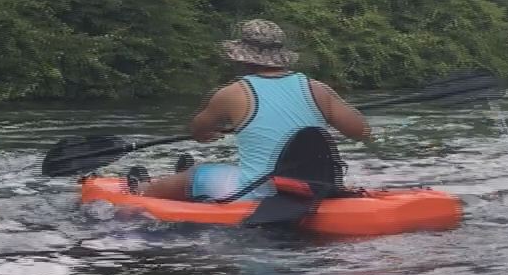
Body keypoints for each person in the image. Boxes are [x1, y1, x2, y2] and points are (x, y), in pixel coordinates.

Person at [135, 20, 371, 199]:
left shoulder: (231, 93)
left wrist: (210, 133)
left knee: (196, 174)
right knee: (227, 169)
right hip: (316, 186)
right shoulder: (317, 89)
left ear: (242, 59)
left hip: (259, 192)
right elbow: (361, 131)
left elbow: (199, 130)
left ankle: (143, 189)